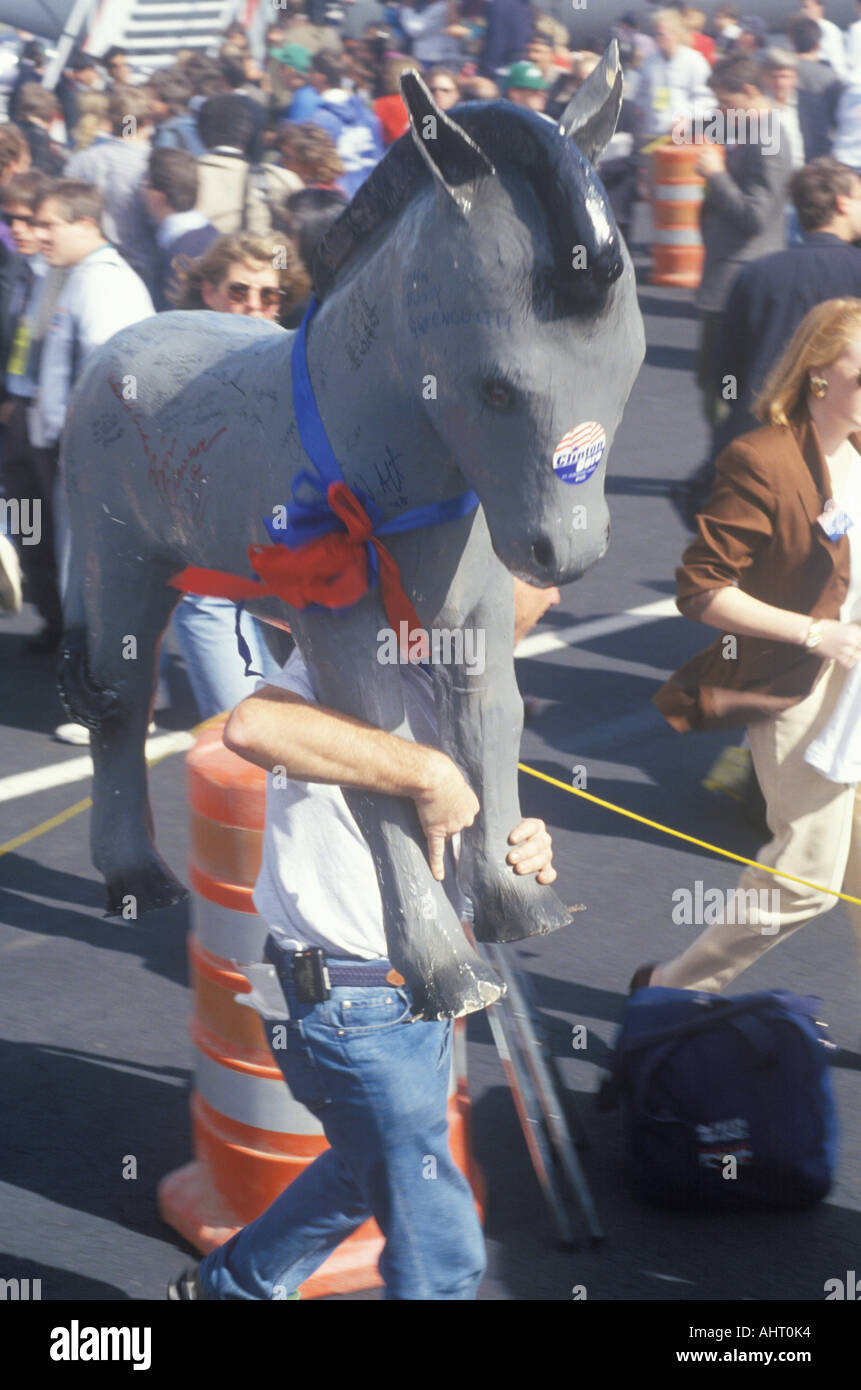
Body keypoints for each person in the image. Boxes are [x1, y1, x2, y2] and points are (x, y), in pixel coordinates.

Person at [168, 577, 560, 1300]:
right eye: (537, 577)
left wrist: (523, 848)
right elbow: (254, 727)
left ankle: (231, 1286)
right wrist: (429, 772)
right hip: (355, 1005)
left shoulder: (468, 689)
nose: (554, 598)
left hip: (393, 996)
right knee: (440, 1258)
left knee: (362, 1168)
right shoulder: (358, 664)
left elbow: (461, 838)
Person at [642, 298, 861, 995]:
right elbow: (701, 590)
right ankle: (674, 987)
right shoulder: (762, 458)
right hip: (803, 684)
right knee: (805, 881)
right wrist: (813, 631)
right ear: (819, 374)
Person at [715, 159, 861, 450]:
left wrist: (733, 405)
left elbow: (727, 366)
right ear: (842, 203)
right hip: (837, 434)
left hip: (759, 428)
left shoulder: (755, 273)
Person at [693, 55, 794, 434]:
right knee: (715, 380)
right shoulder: (752, 131)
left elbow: (754, 216)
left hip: (740, 278)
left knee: (723, 385)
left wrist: (716, 175)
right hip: (728, 275)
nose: (720, 112)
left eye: (726, 103)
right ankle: (725, 459)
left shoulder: (769, 141)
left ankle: (727, 464)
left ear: (750, 93)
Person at [0, 170, 61, 650]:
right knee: (27, 518)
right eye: (11, 219)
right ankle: (48, 614)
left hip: (48, 422)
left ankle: (69, 623)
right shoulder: (20, 270)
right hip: (17, 413)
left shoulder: (60, 276)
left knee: (57, 527)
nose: (19, 229)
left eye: (28, 220)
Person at [64, 86, 159, 295]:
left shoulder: (82, 160)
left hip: (92, 265)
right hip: (141, 269)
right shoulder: (154, 164)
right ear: (148, 121)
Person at [142, 148, 219, 311]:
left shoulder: (181, 254)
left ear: (158, 195)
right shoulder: (210, 235)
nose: (141, 192)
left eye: (145, 185)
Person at [634, 8, 712, 148]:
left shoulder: (694, 61)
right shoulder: (649, 62)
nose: (657, 39)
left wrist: (687, 117)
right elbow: (640, 94)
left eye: (661, 34)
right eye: (655, 34)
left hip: (683, 136)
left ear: (675, 33)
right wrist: (641, 108)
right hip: (652, 134)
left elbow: (707, 100)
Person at [788, 16, 842, 162]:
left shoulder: (781, 73)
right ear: (818, 44)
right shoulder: (829, 77)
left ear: (791, 40)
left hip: (788, 150)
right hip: (820, 154)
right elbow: (838, 118)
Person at [799, 0, 848, 81]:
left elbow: (835, 58)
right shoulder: (801, 28)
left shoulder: (829, 29)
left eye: (807, 7)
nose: (803, 11)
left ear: (819, 7)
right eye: (802, 7)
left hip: (828, 75)